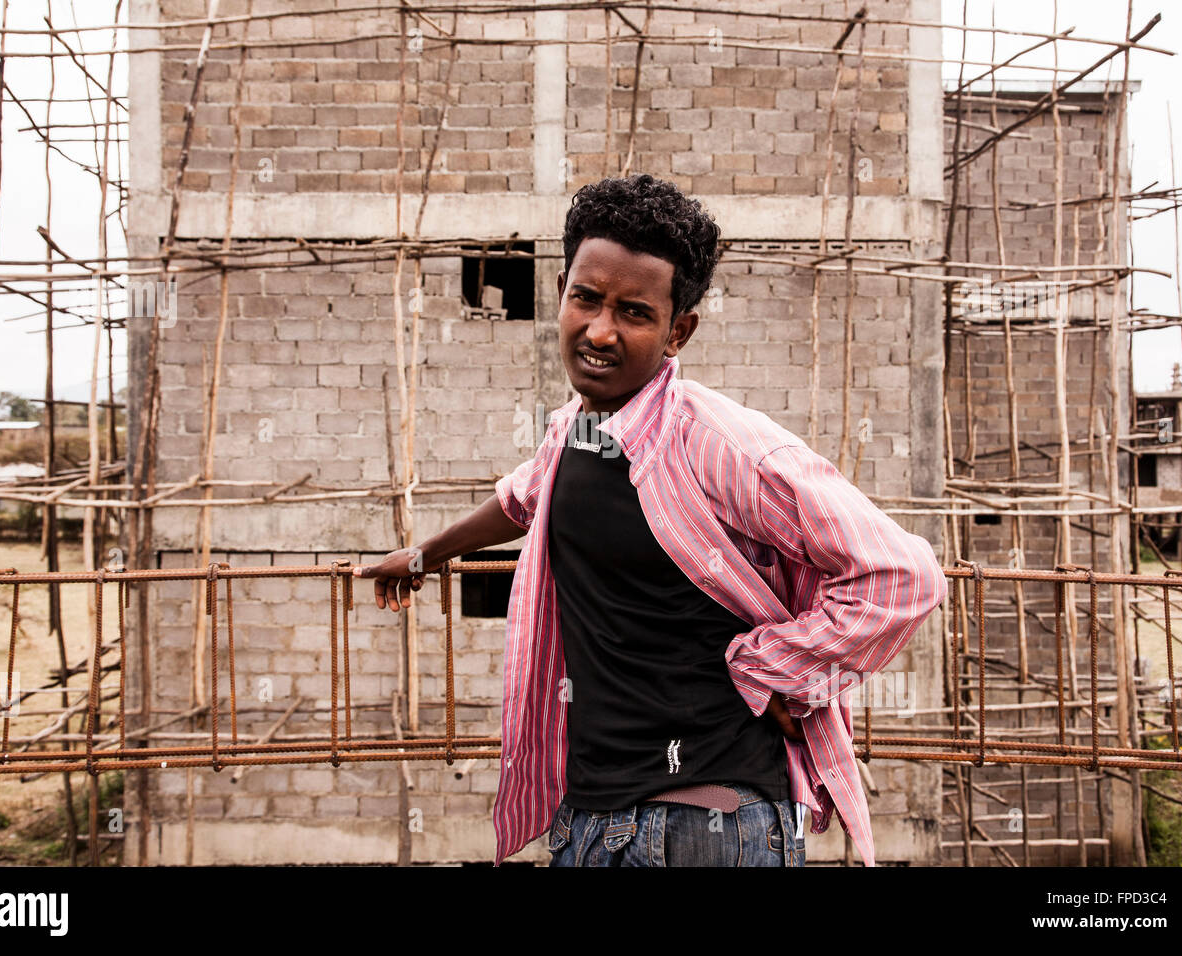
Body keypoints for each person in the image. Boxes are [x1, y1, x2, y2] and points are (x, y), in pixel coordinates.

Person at [355, 173, 947, 867]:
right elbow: (526, 497)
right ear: (561, 296)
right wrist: (425, 555)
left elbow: (904, 577)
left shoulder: (720, 443)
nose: (599, 331)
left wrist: (774, 670)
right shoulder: (577, 430)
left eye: (633, 312)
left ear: (678, 331)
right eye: (586, 299)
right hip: (591, 819)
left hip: (702, 828)